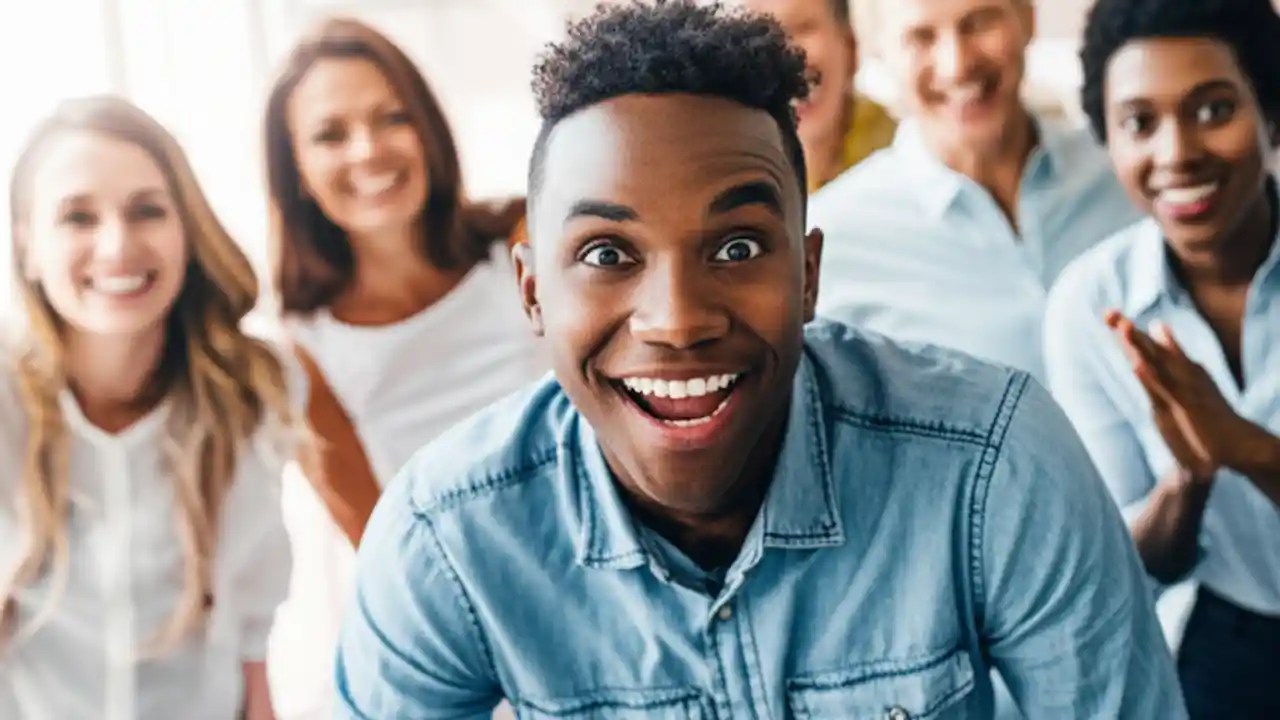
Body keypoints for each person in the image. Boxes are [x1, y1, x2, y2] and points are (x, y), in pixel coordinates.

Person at [334, 3, 1183, 717]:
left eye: (737, 247)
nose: (678, 321)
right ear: (532, 293)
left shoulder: (993, 462)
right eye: (607, 254)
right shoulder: (444, 539)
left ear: (809, 275)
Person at [260, 17, 542, 719]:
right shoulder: (299, 349)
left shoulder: (523, 236)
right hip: (461, 623)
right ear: (296, 170)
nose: (368, 150)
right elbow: (381, 551)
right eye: (331, 135)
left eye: (392, 118)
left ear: (428, 129)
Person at [0, 96, 302, 720]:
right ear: (27, 247)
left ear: (186, 231)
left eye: (147, 211)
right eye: (78, 217)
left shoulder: (252, 390)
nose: (117, 246)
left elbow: (251, 636)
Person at [1044, 0, 1280, 715]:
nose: (1176, 153)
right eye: (1139, 123)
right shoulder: (1091, 303)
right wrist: (1188, 479)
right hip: (1231, 641)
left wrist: (1246, 448)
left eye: (1213, 110)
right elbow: (1138, 567)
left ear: (1271, 114)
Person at [810, 0, 1139, 383]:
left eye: (980, 22)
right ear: (877, 50)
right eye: (921, 37)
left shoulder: (1127, 173)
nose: (957, 64)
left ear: (1027, 18)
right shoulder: (832, 239)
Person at [739, 0, 896, 192]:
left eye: (803, 28)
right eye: (761, 36)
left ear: (850, 49)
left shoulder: (906, 159)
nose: (784, 54)